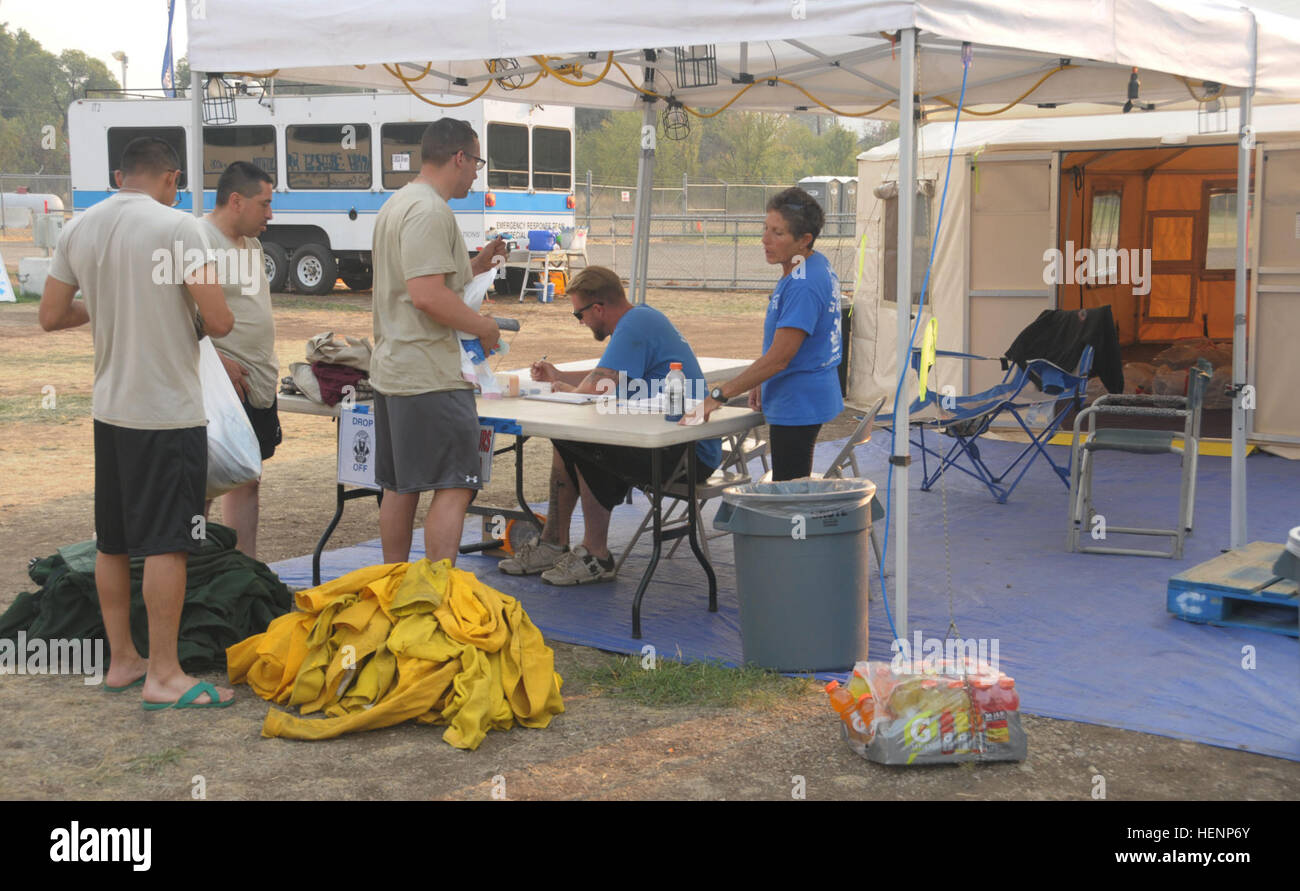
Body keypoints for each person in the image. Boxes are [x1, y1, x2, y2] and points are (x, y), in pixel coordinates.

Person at [40, 136, 237, 708]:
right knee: (168, 545)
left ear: (119, 175)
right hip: (167, 413)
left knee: (114, 542)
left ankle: (124, 660)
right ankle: (166, 674)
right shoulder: (179, 229)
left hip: (112, 409)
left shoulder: (80, 227)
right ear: (172, 178)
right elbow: (220, 320)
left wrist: (105, 305)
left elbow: (51, 315)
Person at [499, 266, 721, 586]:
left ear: (598, 308)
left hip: (688, 452)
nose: (581, 322)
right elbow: (608, 377)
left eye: (579, 315)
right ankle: (554, 542)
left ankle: (595, 554)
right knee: (571, 439)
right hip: (679, 443)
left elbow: (596, 386)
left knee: (586, 441)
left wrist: (568, 389)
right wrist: (559, 376)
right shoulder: (639, 319)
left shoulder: (634, 325)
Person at [370, 118, 508, 566]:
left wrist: (478, 262)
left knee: (401, 486)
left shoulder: (400, 204)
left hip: (395, 370)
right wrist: (484, 327)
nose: (475, 174)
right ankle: (437, 595)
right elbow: (428, 295)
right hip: (429, 372)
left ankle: (394, 591)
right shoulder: (430, 211)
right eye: (476, 162)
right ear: (459, 158)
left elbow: (426, 279)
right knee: (457, 482)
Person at [683, 187, 843, 479]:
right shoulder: (809, 264)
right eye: (765, 229)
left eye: (778, 233)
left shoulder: (803, 283)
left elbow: (780, 358)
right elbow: (780, 350)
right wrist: (761, 378)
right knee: (791, 486)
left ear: (804, 239)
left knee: (789, 494)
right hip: (803, 396)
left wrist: (716, 397)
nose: (765, 240)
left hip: (799, 403)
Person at [201, 161, 278, 559]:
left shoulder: (252, 245)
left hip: (256, 383)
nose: (270, 214)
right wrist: (216, 363)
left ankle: (244, 569)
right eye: (264, 203)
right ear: (236, 200)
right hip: (220, 388)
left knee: (247, 475)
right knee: (206, 481)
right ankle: (192, 569)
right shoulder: (197, 240)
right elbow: (177, 317)